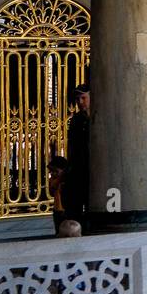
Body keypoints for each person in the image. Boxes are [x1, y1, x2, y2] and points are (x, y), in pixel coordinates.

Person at [62, 83, 90, 228]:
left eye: (83, 98)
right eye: (78, 99)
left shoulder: (100, 118)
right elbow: (72, 146)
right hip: (79, 169)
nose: (80, 102)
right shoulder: (76, 120)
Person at [47, 154, 69, 235]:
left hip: (66, 208)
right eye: (51, 171)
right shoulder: (53, 180)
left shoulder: (67, 180)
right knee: (59, 230)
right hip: (57, 209)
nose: (53, 173)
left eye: (56, 171)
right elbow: (51, 190)